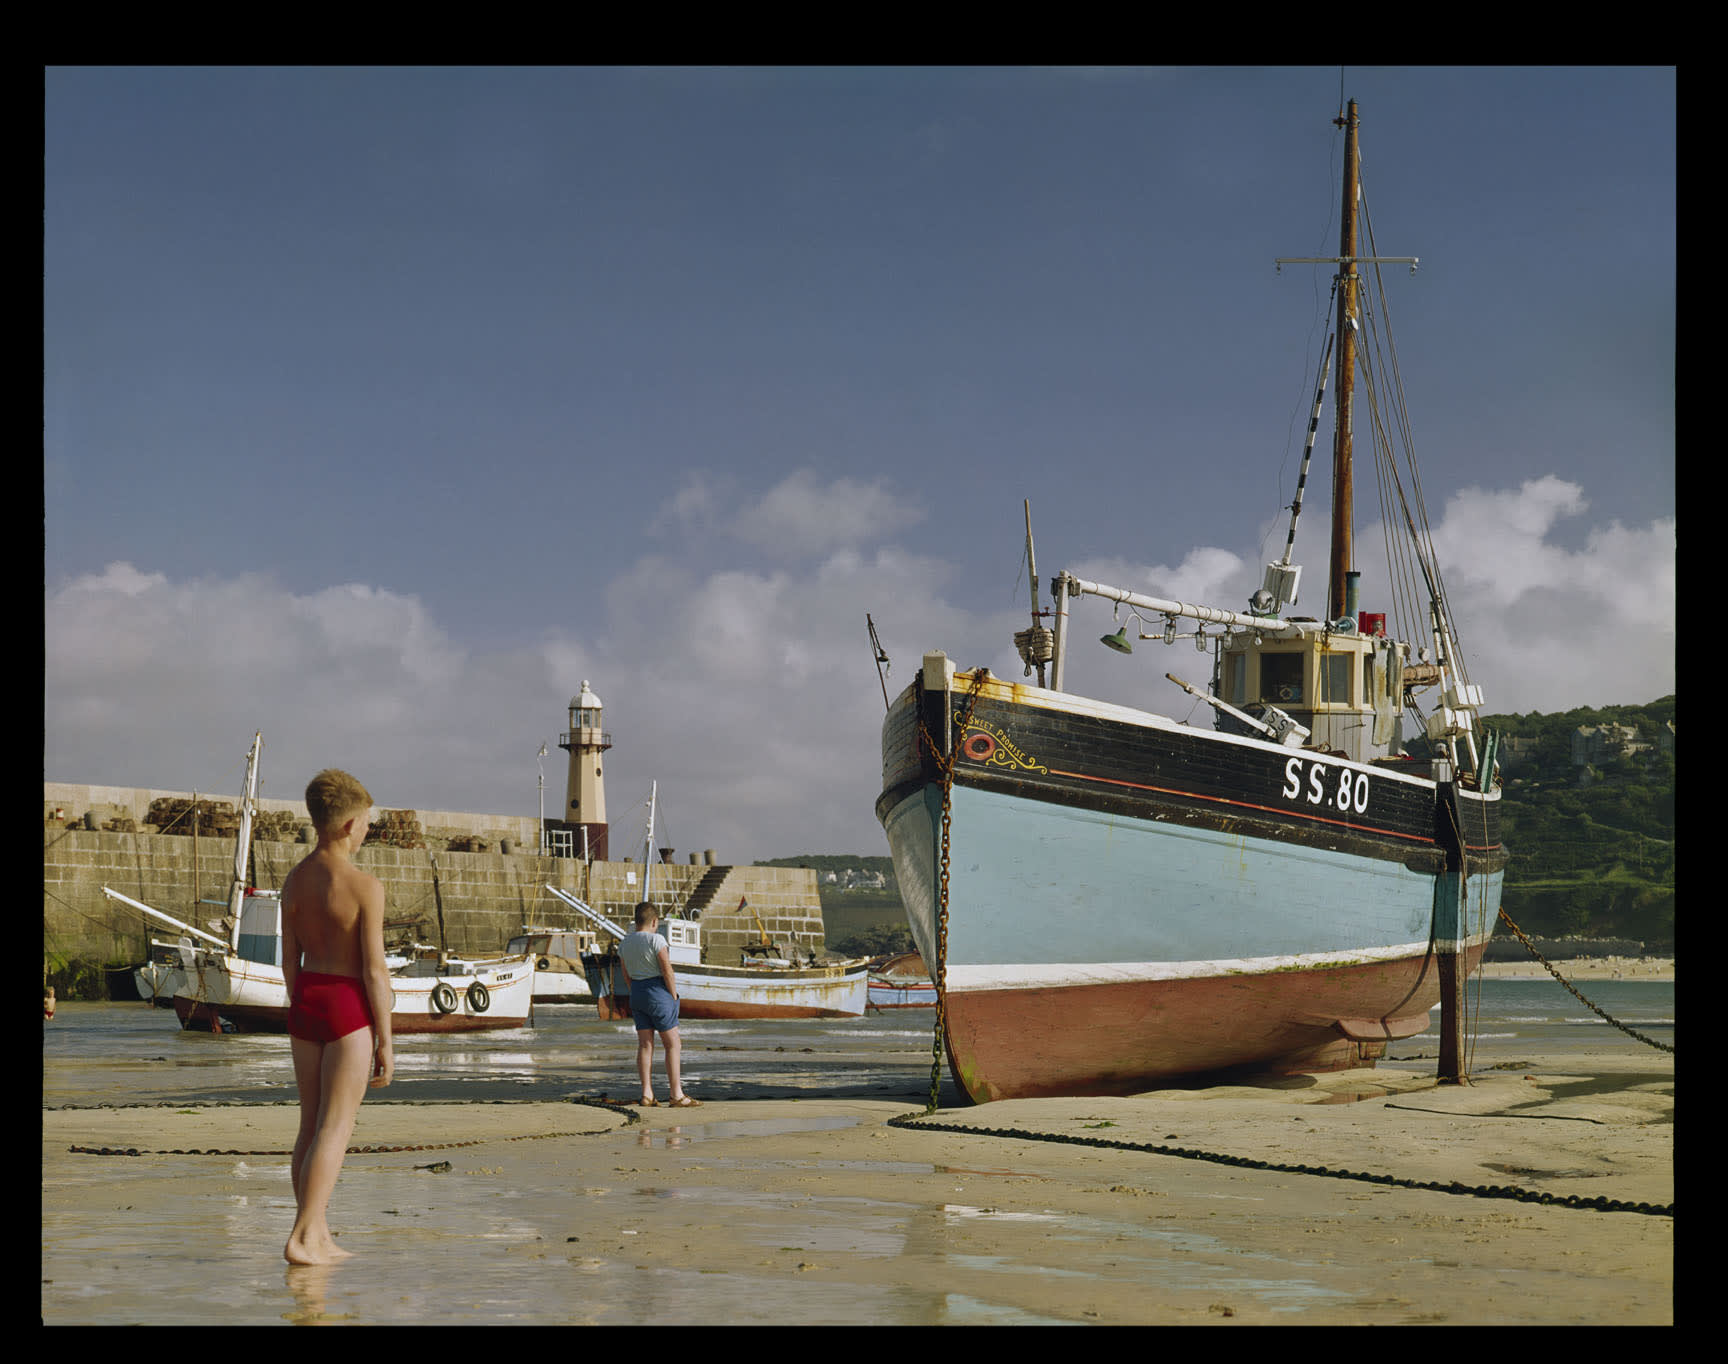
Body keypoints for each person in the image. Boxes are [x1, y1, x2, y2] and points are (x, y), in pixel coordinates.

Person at [279, 768, 395, 1265]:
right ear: (349, 824)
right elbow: (373, 970)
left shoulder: (294, 880)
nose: (367, 829)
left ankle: (318, 1232)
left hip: (307, 1000)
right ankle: (304, 1237)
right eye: (366, 821)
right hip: (349, 1005)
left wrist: (299, 1003)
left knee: (309, 1126)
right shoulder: (365, 885)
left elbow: (288, 961)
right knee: (336, 1128)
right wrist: (386, 1038)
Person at [618, 902, 699, 1108]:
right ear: (654, 921)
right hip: (657, 991)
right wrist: (672, 995)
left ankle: (646, 1093)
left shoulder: (624, 943)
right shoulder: (657, 939)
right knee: (673, 1044)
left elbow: (625, 975)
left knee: (645, 1045)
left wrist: (635, 991)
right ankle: (676, 1094)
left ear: (636, 921)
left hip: (636, 992)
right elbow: (667, 970)